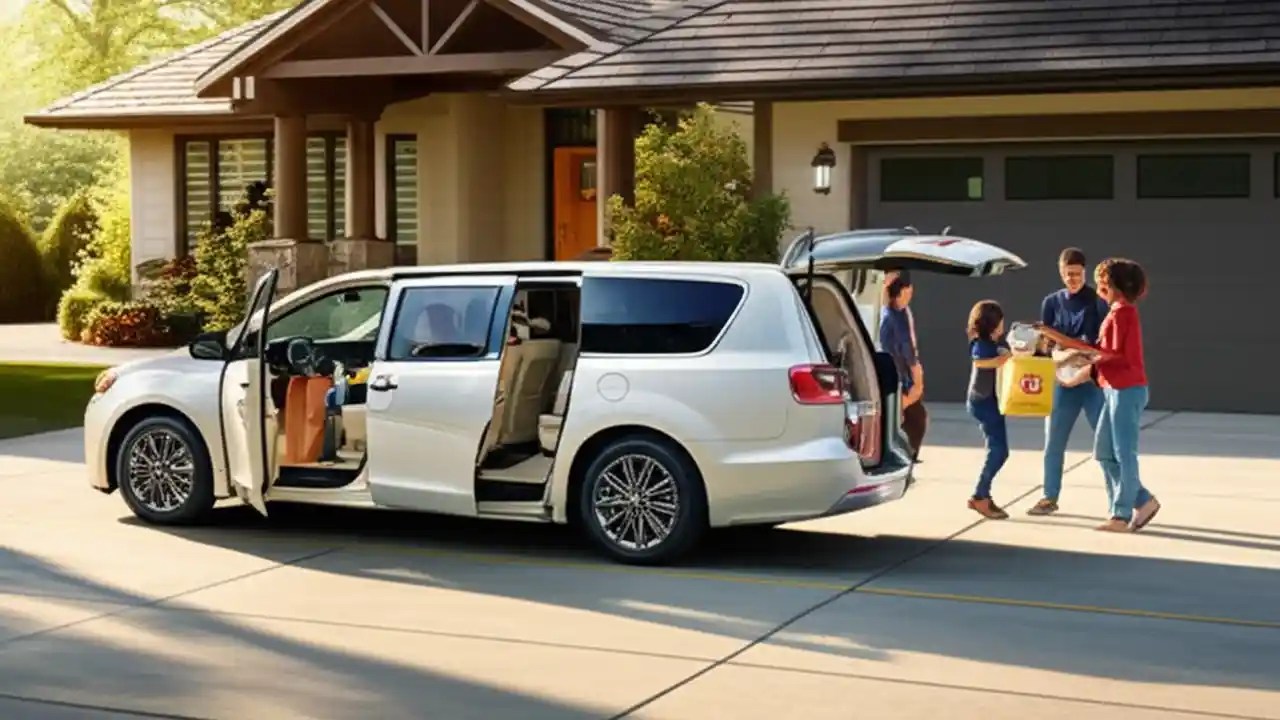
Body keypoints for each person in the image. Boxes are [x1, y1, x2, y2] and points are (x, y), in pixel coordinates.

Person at [1036, 258, 1160, 532]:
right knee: (1104, 453)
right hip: (1113, 388)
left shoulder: (1122, 313)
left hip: (1127, 390)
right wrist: (1063, 342)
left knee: (1124, 453)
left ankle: (1120, 514)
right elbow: (1098, 349)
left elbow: (1110, 355)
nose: (1098, 285)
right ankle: (1142, 501)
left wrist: (1081, 363)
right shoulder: (1116, 311)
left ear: (1114, 285)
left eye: (1102, 280)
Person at [1028, 247, 1111, 516]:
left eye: (1076, 274)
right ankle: (1049, 496)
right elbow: (1045, 343)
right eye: (1067, 274)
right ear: (1060, 272)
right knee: (1053, 443)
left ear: (1084, 272)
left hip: (1091, 381)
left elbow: (1099, 346)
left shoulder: (1097, 302)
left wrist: (1074, 352)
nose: (1072, 279)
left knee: (1106, 444)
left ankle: (1117, 502)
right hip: (1062, 383)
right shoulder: (1051, 302)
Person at [966, 300, 1013, 519]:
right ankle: (980, 496)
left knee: (998, 449)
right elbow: (979, 362)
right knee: (999, 450)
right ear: (993, 323)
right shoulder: (980, 344)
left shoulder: (992, 343)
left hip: (990, 401)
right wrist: (1000, 360)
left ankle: (983, 494)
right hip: (983, 402)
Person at [879, 271, 926, 461]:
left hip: (897, 373)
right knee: (909, 417)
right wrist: (916, 373)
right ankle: (903, 456)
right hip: (900, 375)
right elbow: (906, 349)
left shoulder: (894, 312)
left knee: (915, 417)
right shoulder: (895, 316)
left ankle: (906, 455)